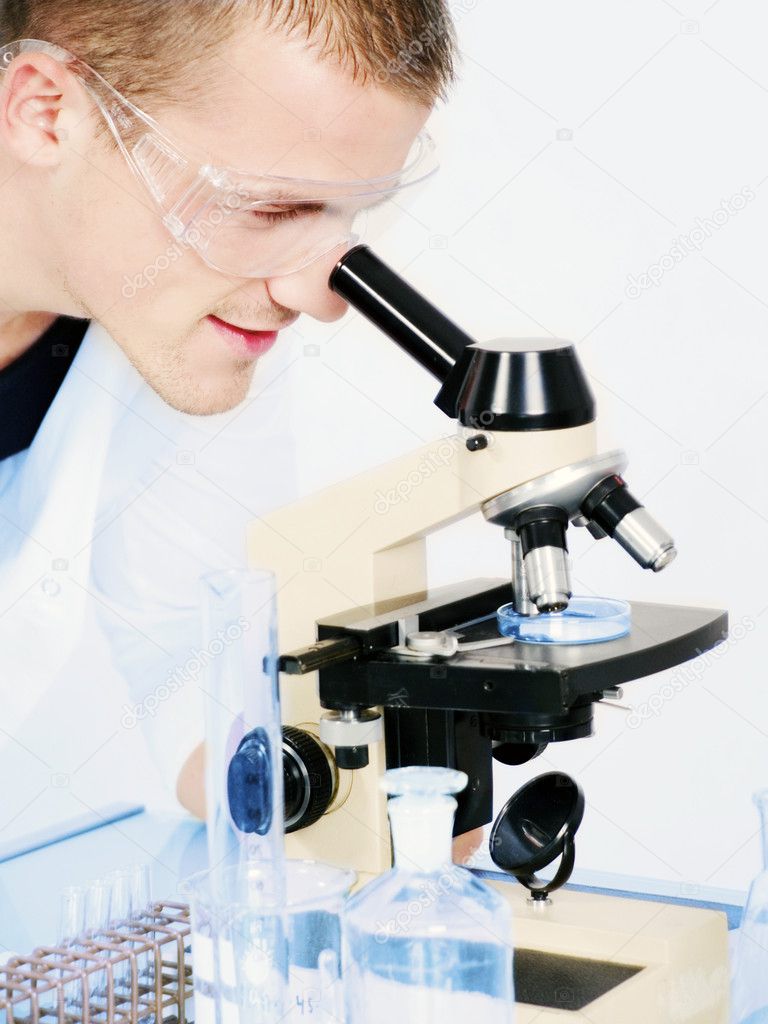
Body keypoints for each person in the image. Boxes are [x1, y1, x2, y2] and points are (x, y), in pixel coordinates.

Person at [0, 1, 457, 821]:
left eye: (351, 215)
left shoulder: (189, 314)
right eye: (270, 209)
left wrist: (387, 799)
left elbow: (194, 660)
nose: (316, 295)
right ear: (44, 112)